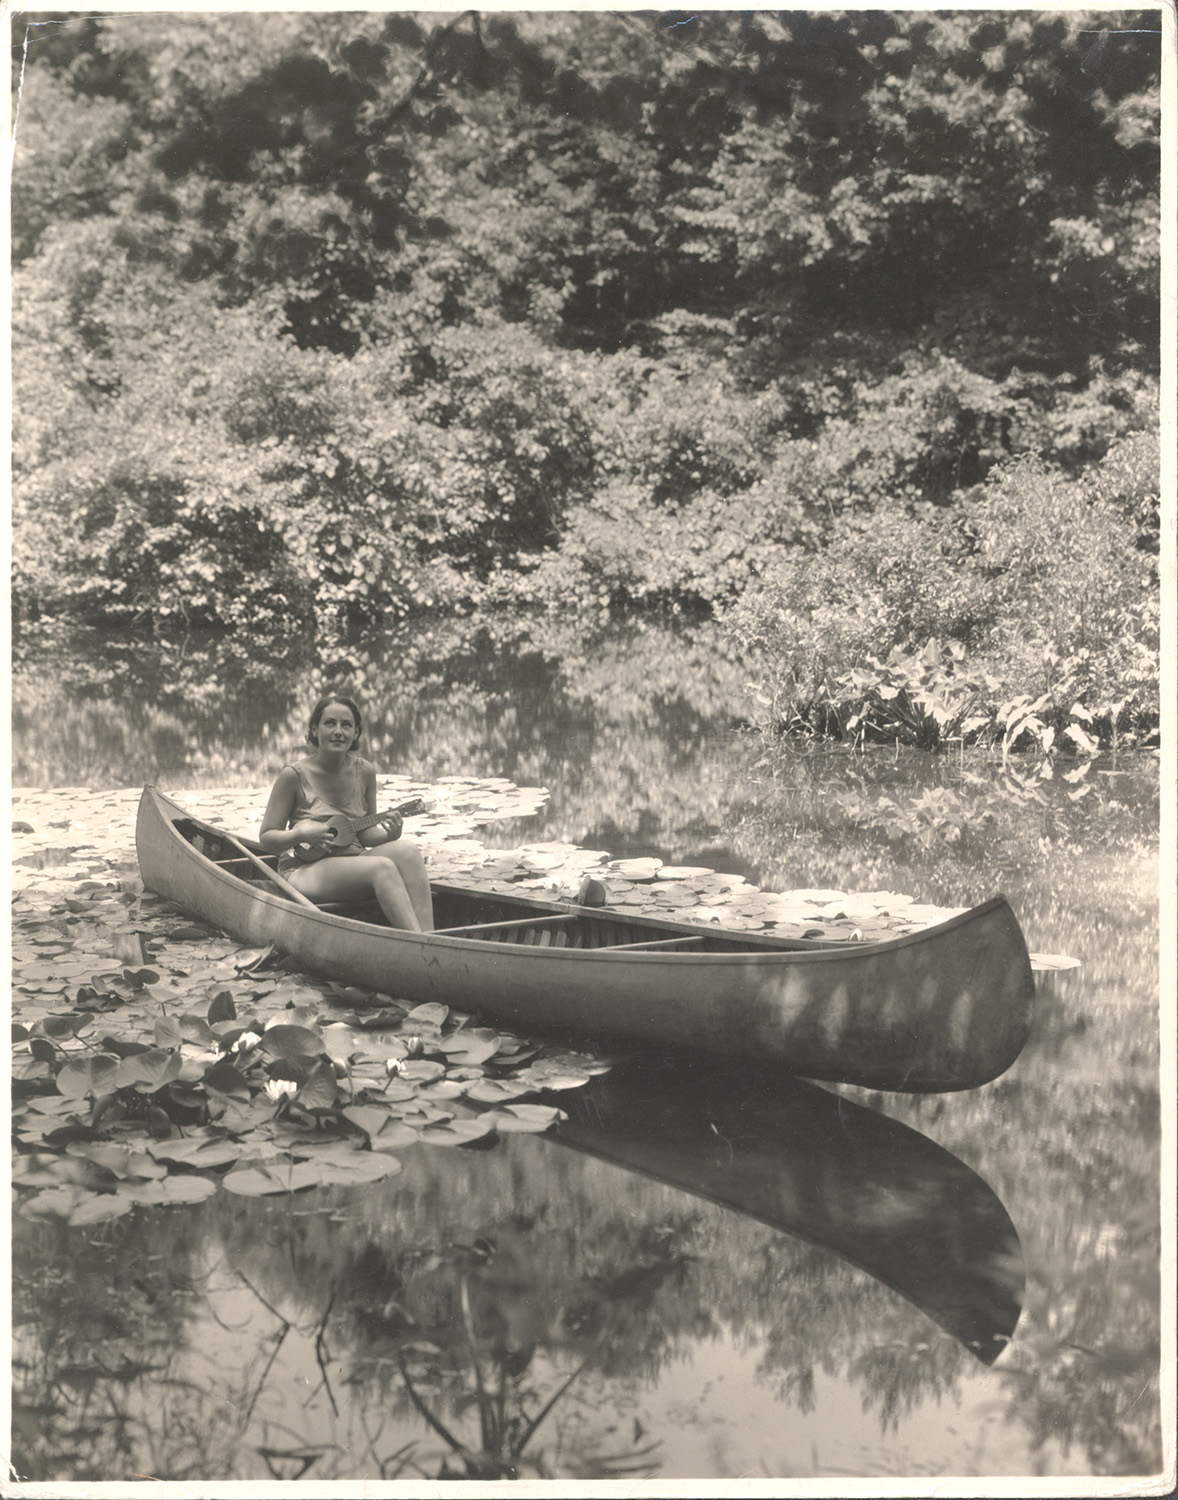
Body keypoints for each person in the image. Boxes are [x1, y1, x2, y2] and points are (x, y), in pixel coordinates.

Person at [259, 695, 433, 930]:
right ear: (314, 728)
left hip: (353, 862)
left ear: (356, 733)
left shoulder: (365, 771)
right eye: (330, 723)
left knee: (409, 851)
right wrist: (300, 835)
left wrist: (390, 835)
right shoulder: (293, 776)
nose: (338, 731)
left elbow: (365, 833)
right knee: (382, 868)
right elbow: (267, 838)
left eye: (346, 725)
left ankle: (430, 940)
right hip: (304, 868)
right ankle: (419, 947)